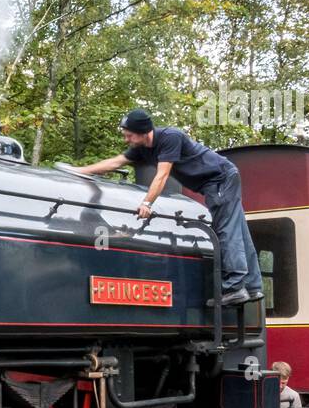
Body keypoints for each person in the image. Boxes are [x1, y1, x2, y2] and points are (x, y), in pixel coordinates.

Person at [74, 108, 264, 307]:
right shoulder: (141, 149)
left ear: (143, 132)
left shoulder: (170, 137)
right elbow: (115, 162)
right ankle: (252, 286)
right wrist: (80, 171)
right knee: (239, 230)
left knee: (225, 229)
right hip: (217, 181)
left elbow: (162, 175)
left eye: (129, 135)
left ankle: (235, 287)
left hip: (220, 179)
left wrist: (147, 203)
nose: (126, 139)